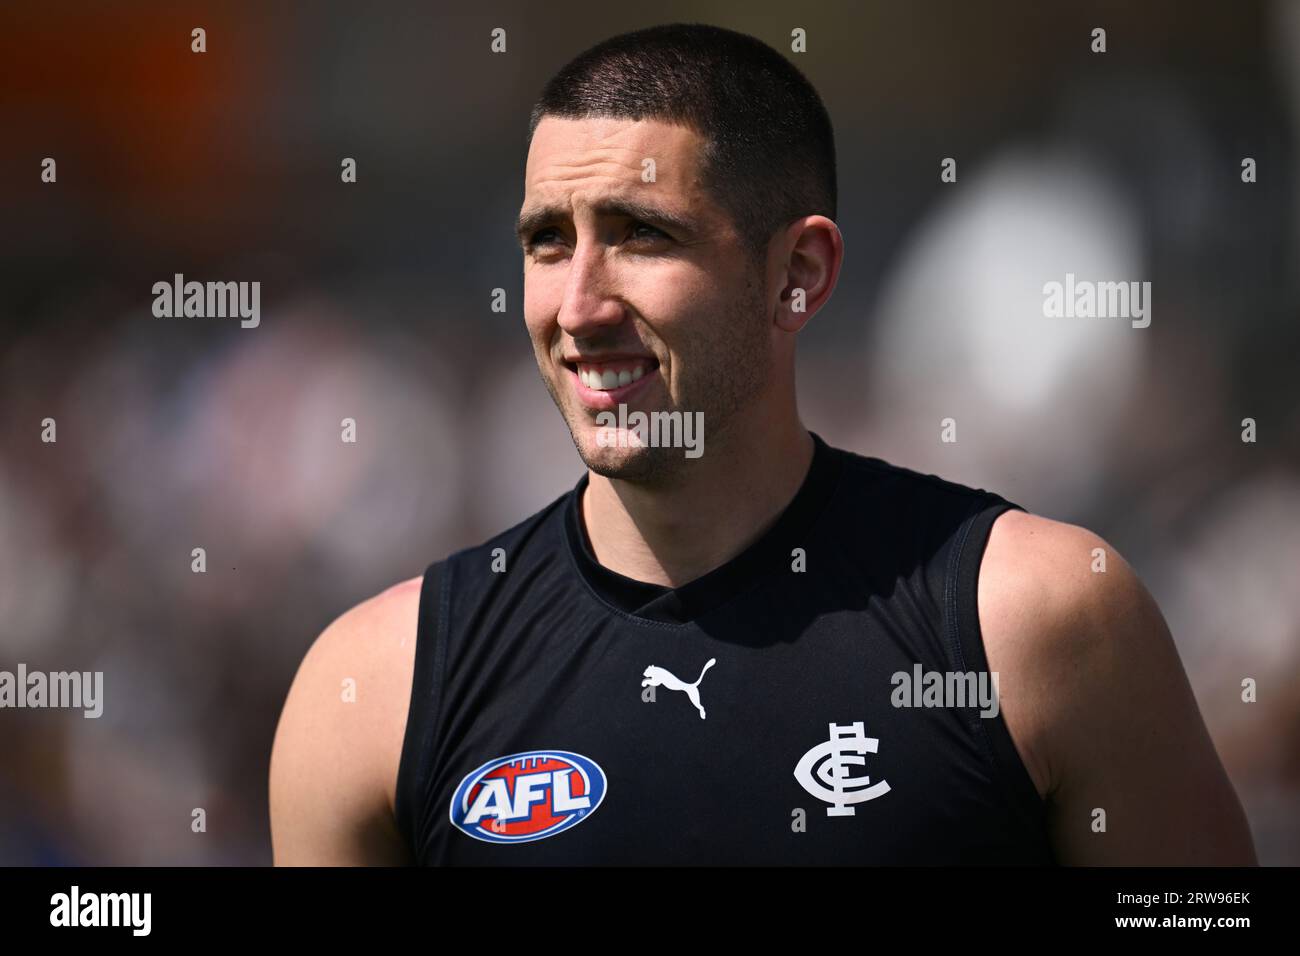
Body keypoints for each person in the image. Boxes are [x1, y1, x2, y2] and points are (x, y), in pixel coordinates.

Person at [269, 23, 1256, 865]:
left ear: (799, 272)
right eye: (547, 242)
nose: (578, 305)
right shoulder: (374, 688)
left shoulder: (1036, 620)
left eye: (641, 235)